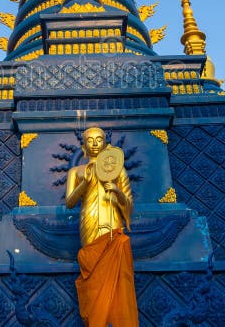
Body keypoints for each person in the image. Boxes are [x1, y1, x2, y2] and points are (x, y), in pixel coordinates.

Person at [65, 127, 139, 327]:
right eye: (91, 140)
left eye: (100, 139)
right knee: (94, 277)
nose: (95, 143)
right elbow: (69, 202)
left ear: (106, 144)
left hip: (112, 225)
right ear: (84, 146)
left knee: (116, 284)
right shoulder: (76, 171)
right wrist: (84, 184)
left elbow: (129, 206)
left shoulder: (118, 170)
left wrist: (117, 191)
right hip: (89, 224)